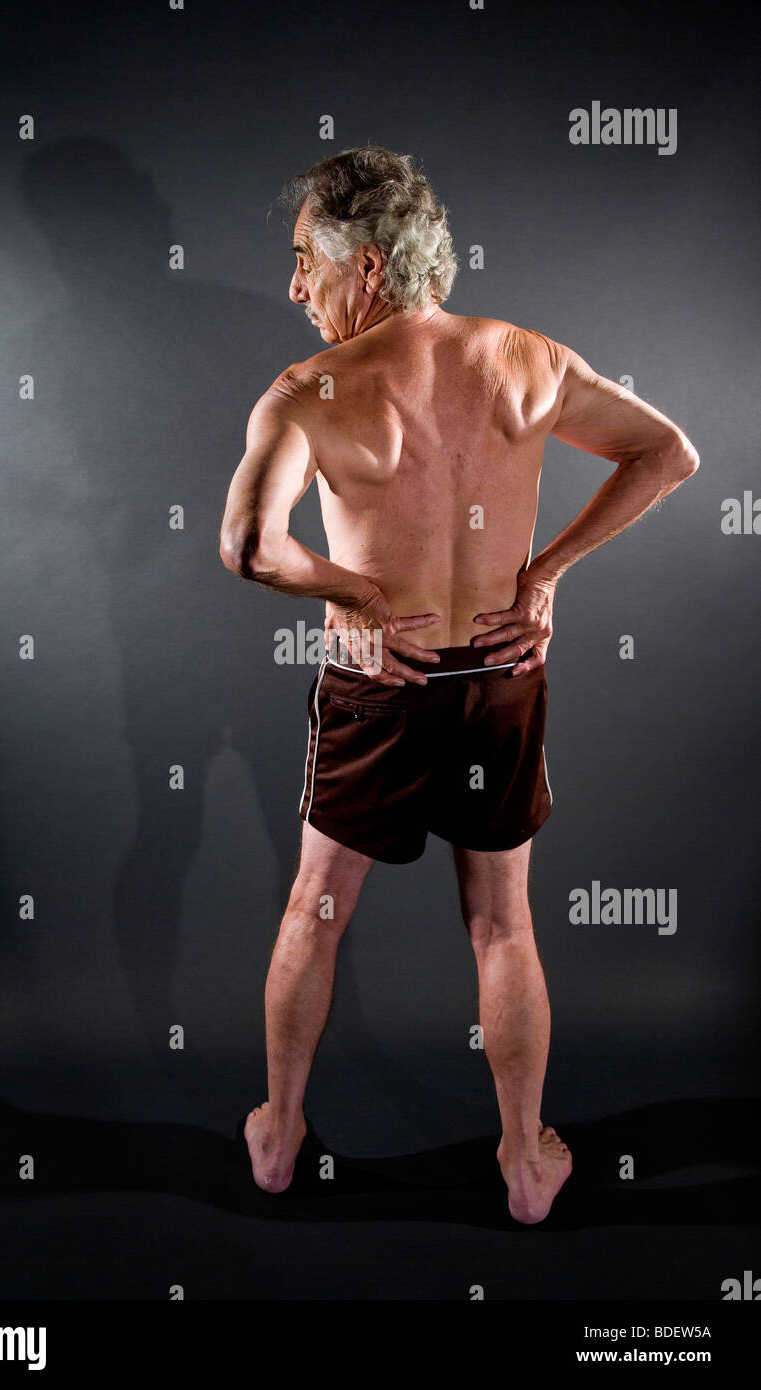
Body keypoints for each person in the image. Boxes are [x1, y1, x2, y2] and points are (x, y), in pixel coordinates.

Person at [219, 146, 699, 1223]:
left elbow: (248, 546)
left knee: (312, 906)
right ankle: (525, 1165)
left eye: (307, 262)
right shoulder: (523, 359)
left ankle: (279, 1141)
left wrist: (344, 589)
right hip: (498, 679)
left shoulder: (312, 392)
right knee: (502, 926)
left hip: (377, 685)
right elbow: (665, 453)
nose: (294, 288)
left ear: (372, 268)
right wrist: (543, 574)